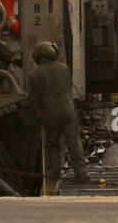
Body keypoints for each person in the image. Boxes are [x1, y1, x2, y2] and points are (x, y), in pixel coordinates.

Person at [27, 41, 90, 185]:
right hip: (68, 110)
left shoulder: (34, 74)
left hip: (50, 113)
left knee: (52, 143)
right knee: (74, 141)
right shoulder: (64, 68)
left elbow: (34, 99)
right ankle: (81, 173)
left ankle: (55, 171)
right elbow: (67, 87)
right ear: (53, 54)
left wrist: (39, 115)